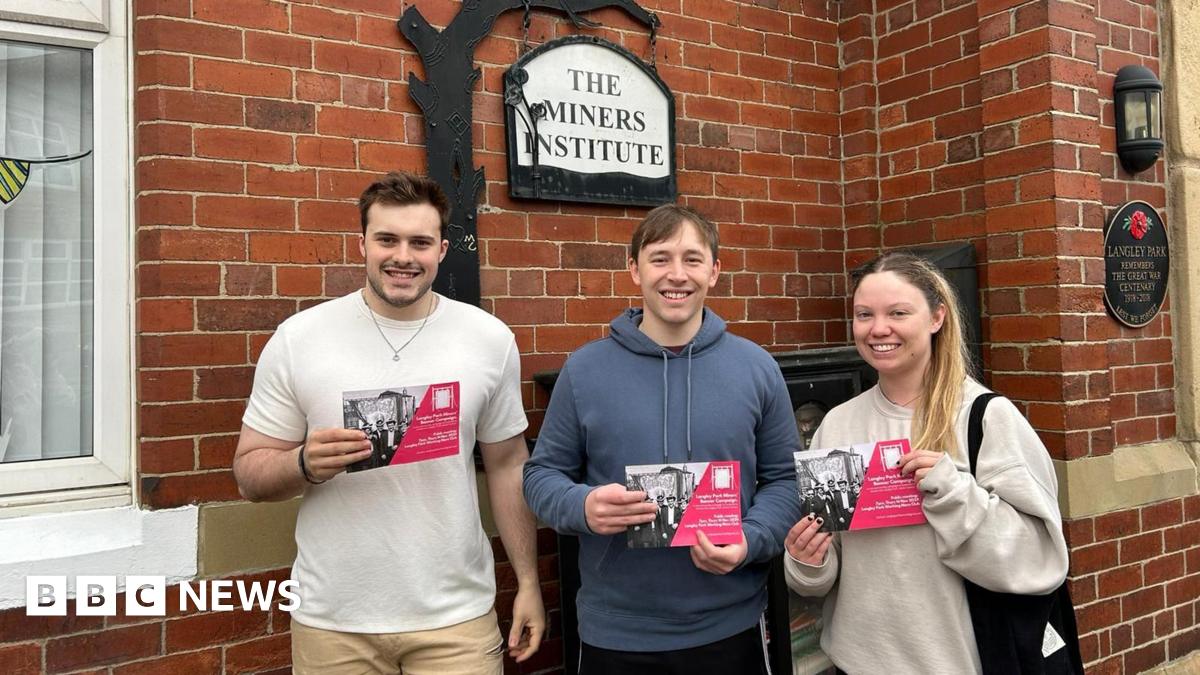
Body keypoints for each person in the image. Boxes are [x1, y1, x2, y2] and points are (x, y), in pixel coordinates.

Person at [232, 171, 545, 674]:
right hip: (333, 621)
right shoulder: (300, 338)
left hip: (455, 620)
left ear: (442, 250)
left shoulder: (487, 339)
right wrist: (303, 464)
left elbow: (508, 464)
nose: (403, 256)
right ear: (362, 244)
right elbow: (250, 475)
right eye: (387, 240)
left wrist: (528, 583)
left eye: (420, 242)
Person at [523, 204, 801, 675]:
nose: (677, 274)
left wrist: (750, 539)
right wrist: (582, 506)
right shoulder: (585, 370)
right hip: (617, 630)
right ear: (634, 269)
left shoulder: (757, 369)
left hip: (730, 625)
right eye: (660, 258)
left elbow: (786, 480)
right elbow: (540, 476)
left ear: (715, 270)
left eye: (693, 259)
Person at [783, 251, 1069, 674]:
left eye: (898, 312)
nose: (879, 329)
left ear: (936, 318)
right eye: (865, 314)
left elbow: (1039, 560)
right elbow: (828, 572)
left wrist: (954, 493)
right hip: (857, 662)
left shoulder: (986, 417)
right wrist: (808, 561)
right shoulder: (837, 425)